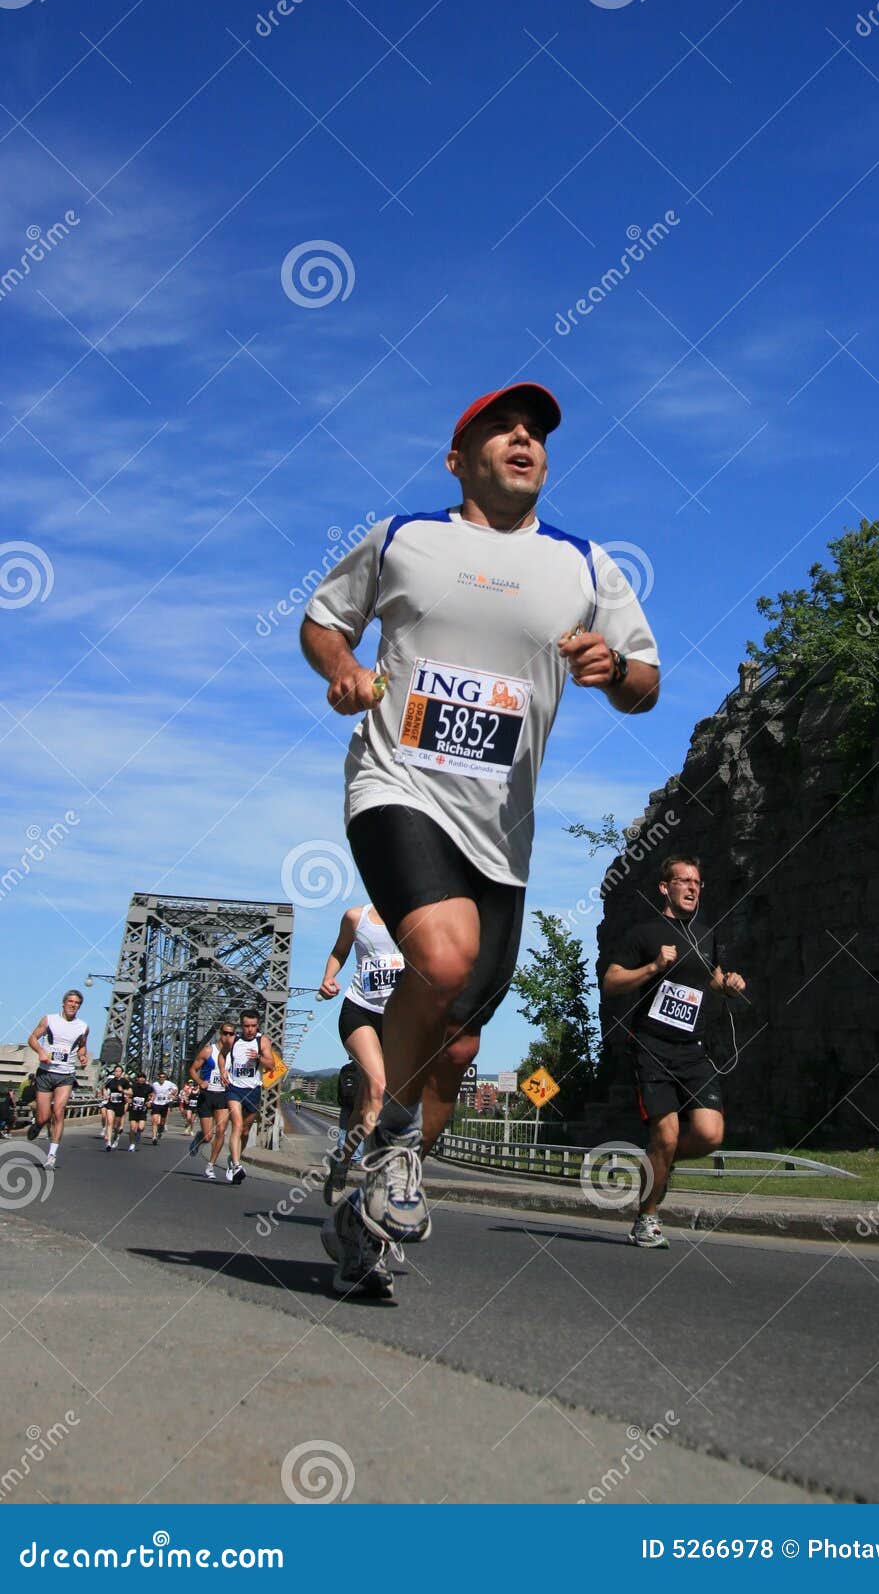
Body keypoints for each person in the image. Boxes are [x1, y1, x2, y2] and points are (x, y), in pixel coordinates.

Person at [301, 382, 659, 1293]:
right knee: (445, 955)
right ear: (458, 458)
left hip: (503, 832)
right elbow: (321, 622)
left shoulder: (584, 565)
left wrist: (611, 667)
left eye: (535, 429)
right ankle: (386, 1148)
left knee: (456, 1047)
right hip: (397, 785)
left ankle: (363, 1209)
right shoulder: (405, 540)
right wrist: (344, 669)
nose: (523, 438)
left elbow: (646, 680)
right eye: (501, 427)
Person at [601, 853, 747, 1249]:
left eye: (697, 882)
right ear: (665, 887)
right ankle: (646, 1218)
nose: (692, 888)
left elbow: (709, 980)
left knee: (710, 1134)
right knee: (663, 1135)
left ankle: (661, 1163)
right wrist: (652, 968)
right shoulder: (645, 934)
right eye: (684, 881)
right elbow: (611, 982)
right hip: (652, 1047)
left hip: (693, 1052)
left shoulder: (706, 934)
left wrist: (728, 983)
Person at [318, 904, 404, 1205]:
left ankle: (342, 1160)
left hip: (398, 1020)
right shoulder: (356, 917)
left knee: (369, 1103)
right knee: (377, 1086)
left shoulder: (416, 917)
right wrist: (329, 976)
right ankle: (375, 1182)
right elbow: (339, 952)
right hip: (360, 1012)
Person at [26, 990, 90, 1168]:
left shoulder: (83, 1026)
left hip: (66, 1074)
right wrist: (40, 1052)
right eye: (70, 1001)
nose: (73, 1005)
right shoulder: (49, 1019)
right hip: (46, 1072)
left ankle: (51, 1156)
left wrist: (83, 1057)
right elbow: (32, 1038)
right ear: (63, 1003)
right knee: (44, 1116)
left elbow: (82, 1047)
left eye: (77, 1003)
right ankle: (38, 1124)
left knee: (59, 1111)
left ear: (79, 1006)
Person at [218, 1010, 274, 1183]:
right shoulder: (233, 1040)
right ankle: (236, 1165)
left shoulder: (261, 1041)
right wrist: (222, 1071)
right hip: (234, 1088)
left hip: (253, 1090)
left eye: (253, 1026)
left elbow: (271, 1064)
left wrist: (258, 1057)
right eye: (246, 1026)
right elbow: (221, 1055)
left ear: (258, 1026)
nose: (250, 1029)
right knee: (237, 1124)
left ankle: (234, 1160)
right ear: (241, 1026)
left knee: (245, 1130)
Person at [189, 1022, 235, 1179]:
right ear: (220, 1033)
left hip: (223, 1095)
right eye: (225, 1033)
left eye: (231, 1033)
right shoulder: (208, 1051)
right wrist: (200, 1082)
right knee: (208, 1136)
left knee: (221, 1130)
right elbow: (192, 1070)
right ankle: (200, 1137)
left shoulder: (234, 1053)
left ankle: (210, 1165)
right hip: (207, 1095)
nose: (228, 1036)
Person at [101, 1066, 131, 1151]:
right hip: (111, 1104)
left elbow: (130, 1092)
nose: (117, 1073)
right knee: (110, 1123)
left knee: (115, 1126)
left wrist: (123, 1091)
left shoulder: (124, 1081)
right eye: (116, 1071)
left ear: (122, 1073)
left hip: (120, 1105)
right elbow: (104, 1088)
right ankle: (109, 1143)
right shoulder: (110, 1080)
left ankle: (117, 1136)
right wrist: (105, 1094)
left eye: (119, 1071)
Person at [149, 1072, 178, 1143]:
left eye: (163, 1077)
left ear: (165, 1078)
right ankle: (154, 1137)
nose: (162, 1078)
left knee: (162, 1121)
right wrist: (150, 1100)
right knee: (155, 1121)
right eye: (160, 1077)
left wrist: (173, 1095)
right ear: (158, 1078)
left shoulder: (169, 1083)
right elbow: (151, 1093)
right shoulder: (154, 1084)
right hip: (156, 1104)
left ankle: (160, 1129)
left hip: (165, 1104)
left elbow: (176, 1089)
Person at [127, 1073, 152, 1150]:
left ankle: (138, 1132)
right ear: (137, 1078)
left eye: (143, 1078)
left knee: (141, 1127)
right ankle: (132, 1144)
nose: (141, 1079)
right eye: (140, 1077)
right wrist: (128, 1099)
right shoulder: (133, 1086)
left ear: (145, 1079)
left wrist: (149, 1102)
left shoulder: (148, 1087)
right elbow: (129, 1095)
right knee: (132, 1128)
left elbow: (151, 1096)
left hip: (142, 1110)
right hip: (133, 1110)